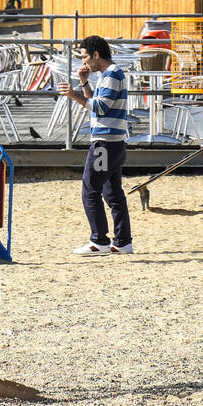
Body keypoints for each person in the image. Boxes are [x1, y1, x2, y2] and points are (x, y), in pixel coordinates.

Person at [58, 35, 133, 256]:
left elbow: (100, 108)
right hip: (113, 143)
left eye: (85, 57)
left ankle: (99, 240)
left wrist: (73, 95)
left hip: (105, 143)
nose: (84, 62)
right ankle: (122, 242)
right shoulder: (107, 75)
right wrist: (83, 84)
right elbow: (96, 103)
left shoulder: (112, 74)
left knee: (90, 190)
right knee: (113, 194)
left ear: (96, 55)